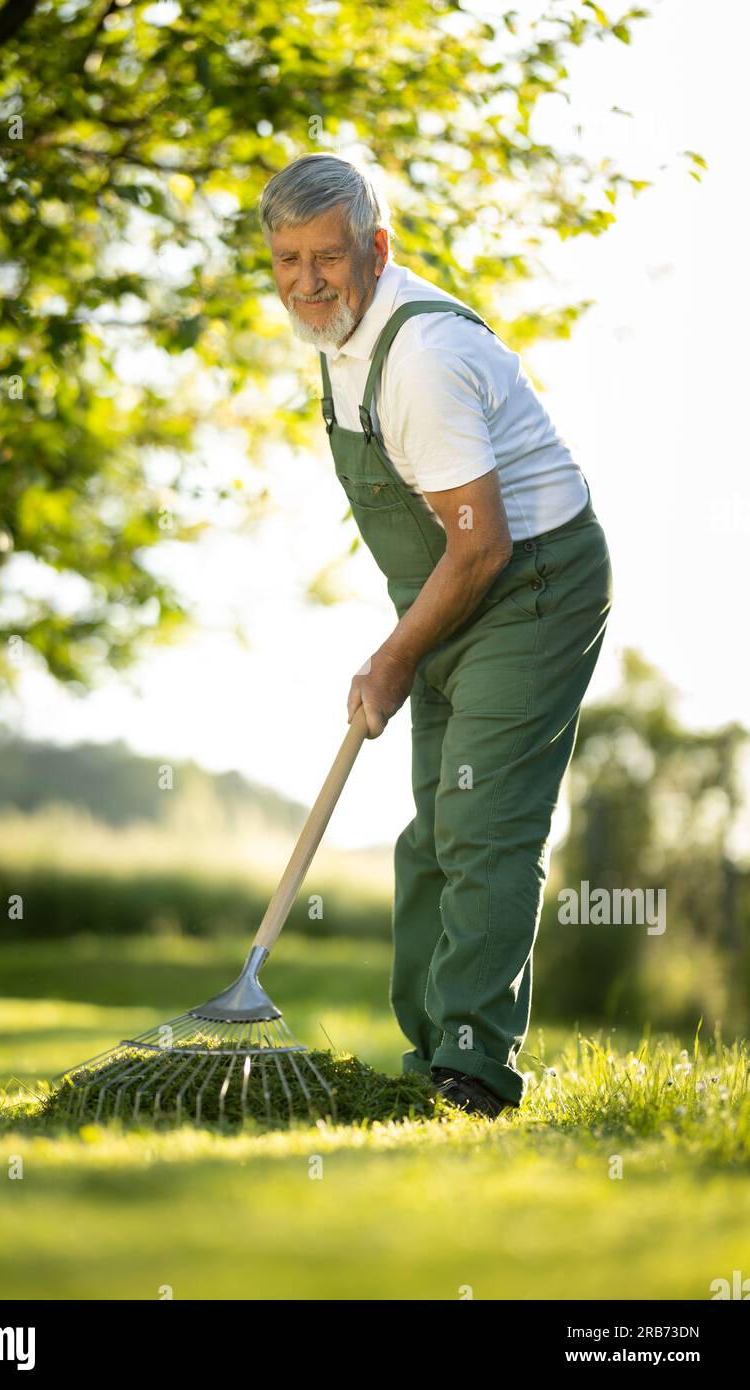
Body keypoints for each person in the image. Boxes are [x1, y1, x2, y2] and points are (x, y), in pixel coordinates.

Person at [258, 153, 612, 1119]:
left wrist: (393, 655)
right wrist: (409, 645)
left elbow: (481, 541)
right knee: (432, 832)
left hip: (532, 585)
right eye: (286, 260)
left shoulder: (419, 360)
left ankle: (473, 1075)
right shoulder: (339, 355)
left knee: (483, 824)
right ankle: (427, 1062)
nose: (304, 283)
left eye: (326, 258)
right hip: (460, 592)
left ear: (376, 249)